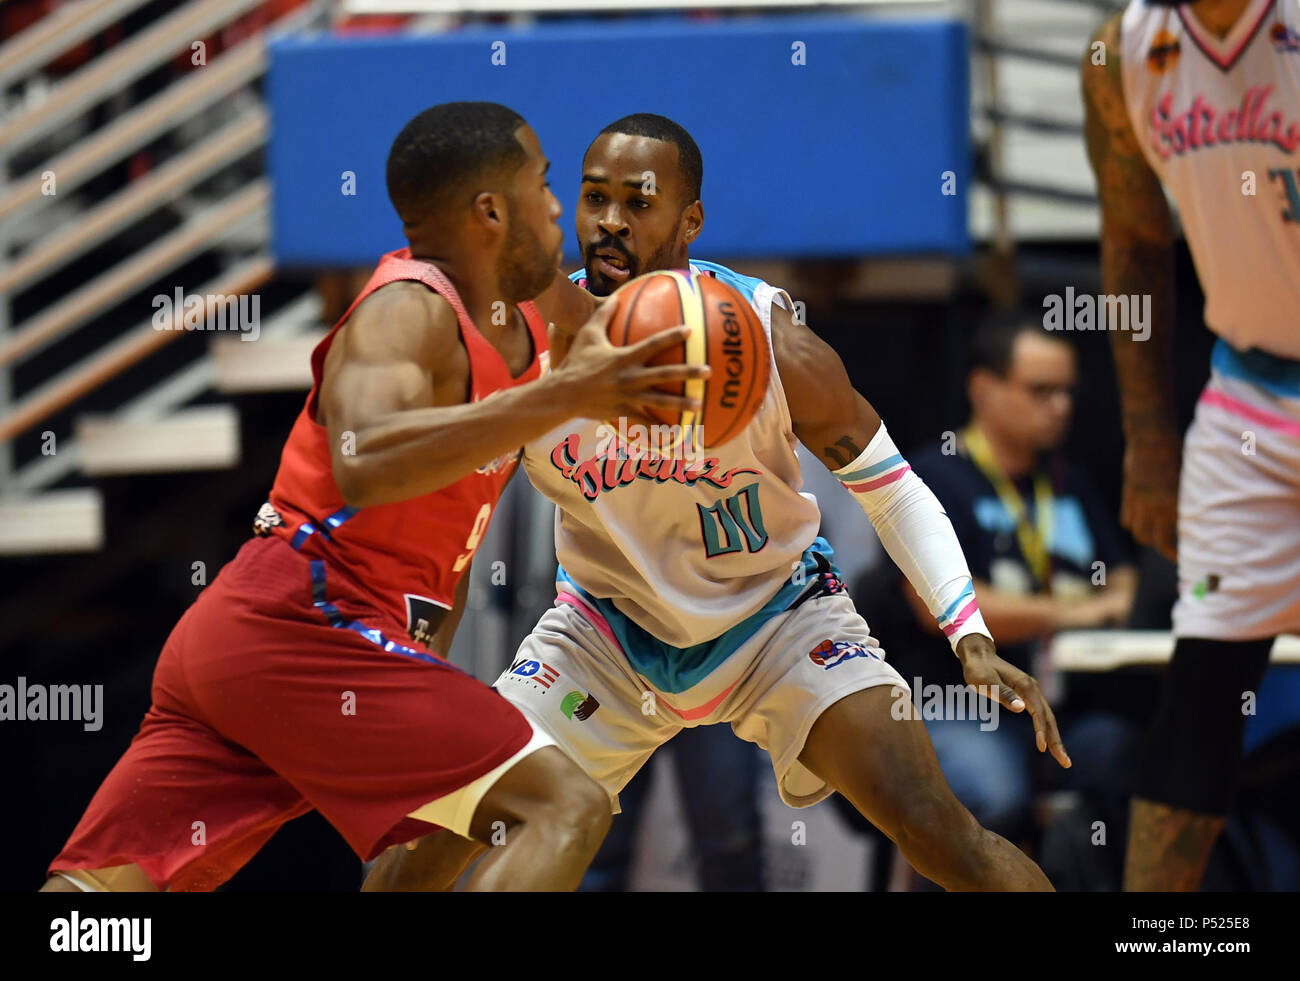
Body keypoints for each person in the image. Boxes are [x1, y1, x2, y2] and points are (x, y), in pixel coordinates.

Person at [369, 113, 1070, 893]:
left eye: (637, 203)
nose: (609, 221)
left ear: (689, 220)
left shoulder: (768, 340)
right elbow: (453, 534)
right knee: (423, 845)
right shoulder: (528, 347)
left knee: (940, 830)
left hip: (778, 618)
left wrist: (966, 630)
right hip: (605, 631)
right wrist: (413, 670)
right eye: (594, 198)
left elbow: (892, 485)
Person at [41, 102, 707, 893]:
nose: (563, 209)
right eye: (545, 185)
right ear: (492, 211)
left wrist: (743, 336)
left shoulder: (534, 302)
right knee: (562, 805)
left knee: (103, 893)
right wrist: (562, 397)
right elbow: (364, 460)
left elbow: (634, 337)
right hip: (306, 621)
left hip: (263, 645)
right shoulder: (404, 312)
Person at [1083, 0, 1300, 890]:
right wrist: (1145, 435)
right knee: (1204, 689)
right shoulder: (1120, 54)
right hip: (1248, 394)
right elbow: (1134, 243)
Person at [888, 315, 1138, 862]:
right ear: (983, 389)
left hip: (1059, 704)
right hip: (952, 702)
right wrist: (1081, 612)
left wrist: (1105, 601)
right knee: (995, 790)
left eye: (1068, 391)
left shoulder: (1069, 481)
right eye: (1041, 390)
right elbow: (944, 607)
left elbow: (1125, 582)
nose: (1060, 406)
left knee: (1125, 760)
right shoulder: (932, 476)